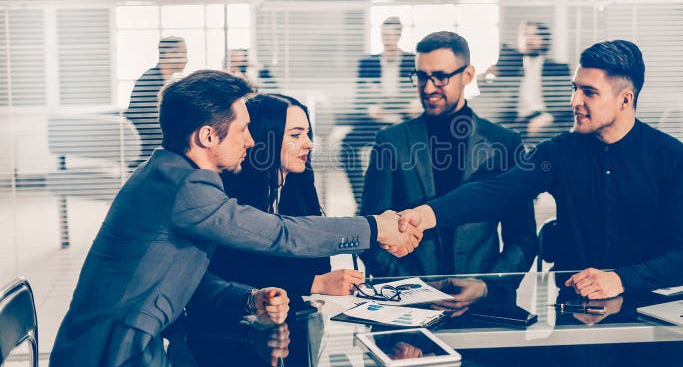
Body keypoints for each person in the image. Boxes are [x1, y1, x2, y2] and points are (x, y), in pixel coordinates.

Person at [50, 70, 420, 366]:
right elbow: (279, 234)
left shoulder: (173, 173)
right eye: (242, 129)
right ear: (208, 135)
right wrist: (375, 227)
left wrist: (249, 298)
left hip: (133, 342)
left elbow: (185, 273)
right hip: (112, 353)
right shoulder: (186, 186)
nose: (250, 140)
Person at [397, 40, 683, 299]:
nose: (574, 101)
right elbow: (497, 191)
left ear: (625, 99)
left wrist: (620, 279)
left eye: (589, 92)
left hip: (650, 310)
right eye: (575, 89)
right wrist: (425, 215)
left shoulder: (674, 158)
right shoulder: (557, 153)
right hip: (576, 312)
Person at [360, 31, 536, 291]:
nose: (428, 88)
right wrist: (413, 292)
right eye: (421, 76)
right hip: (409, 307)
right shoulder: (390, 141)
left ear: (468, 75)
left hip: (483, 309)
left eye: (440, 77)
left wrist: (486, 287)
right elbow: (370, 231)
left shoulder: (504, 143)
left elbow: (522, 238)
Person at [207, 93, 364, 300]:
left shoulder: (297, 182)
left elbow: (318, 262)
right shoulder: (227, 192)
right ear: (265, 137)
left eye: (307, 134)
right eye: (296, 135)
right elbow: (233, 270)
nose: (309, 144)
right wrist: (314, 282)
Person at [340, 17, 417, 207]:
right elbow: (361, 97)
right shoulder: (368, 63)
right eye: (384, 35)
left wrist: (408, 107)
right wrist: (370, 107)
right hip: (374, 120)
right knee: (347, 145)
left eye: (392, 35)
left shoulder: (412, 60)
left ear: (399, 35)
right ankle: (362, 200)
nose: (387, 39)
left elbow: (417, 94)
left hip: (402, 119)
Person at [476, 21, 572, 146]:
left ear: (545, 40)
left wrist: (548, 117)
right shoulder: (510, 67)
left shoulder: (558, 68)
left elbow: (566, 100)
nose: (528, 39)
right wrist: (483, 78)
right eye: (525, 34)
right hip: (517, 119)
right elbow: (493, 95)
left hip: (545, 118)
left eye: (534, 35)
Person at [125, 36, 188, 167]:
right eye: (181, 53)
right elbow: (145, 121)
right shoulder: (149, 81)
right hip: (147, 151)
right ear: (167, 55)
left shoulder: (167, 82)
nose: (186, 59)